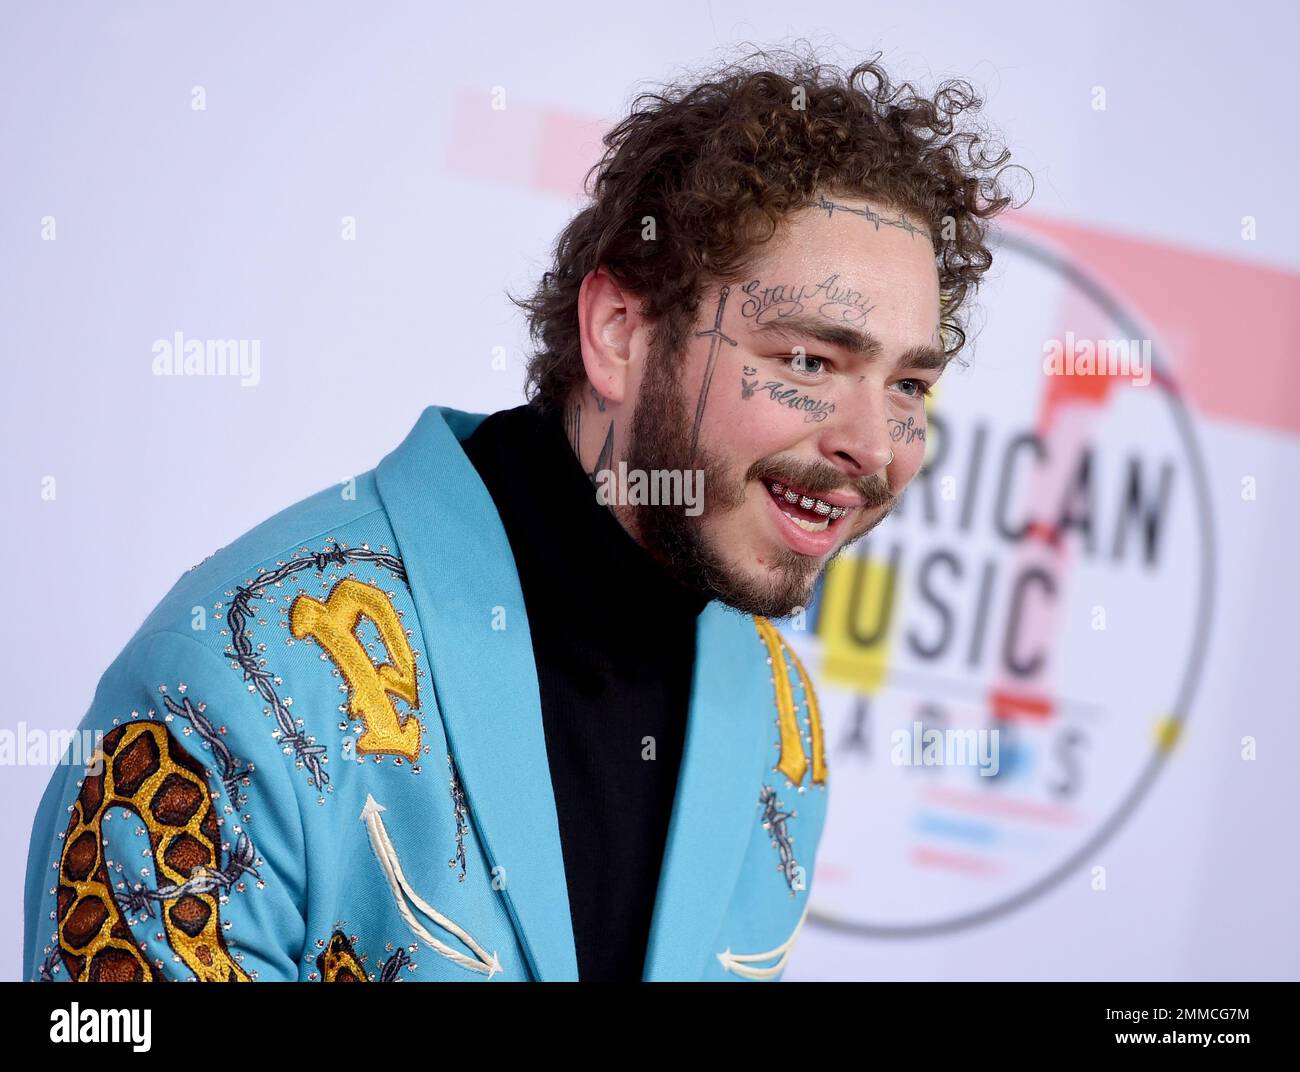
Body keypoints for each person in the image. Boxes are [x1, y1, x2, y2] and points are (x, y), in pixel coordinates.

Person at [23, 48, 1017, 982]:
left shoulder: (778, 718)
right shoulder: (240, 677)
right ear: (620, 333)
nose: (873, 446)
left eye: (909, 388)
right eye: (809, 360)